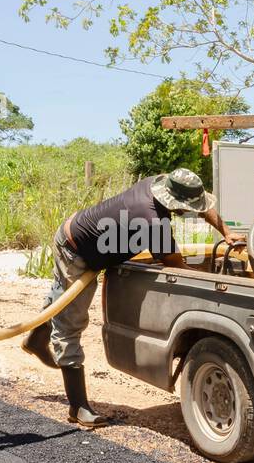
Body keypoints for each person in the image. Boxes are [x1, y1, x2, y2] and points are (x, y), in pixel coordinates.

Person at [21, 168, 242, 428]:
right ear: (175, 201)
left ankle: (36, 338)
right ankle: (78, 407)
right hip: (76, 249)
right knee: (71, 320)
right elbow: (177, 267)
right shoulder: (150, 219)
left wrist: (226, 232)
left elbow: (202, 204)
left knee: (63, 301)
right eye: (188, 207)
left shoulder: (159, 184)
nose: (192, 211)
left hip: (93, 242)